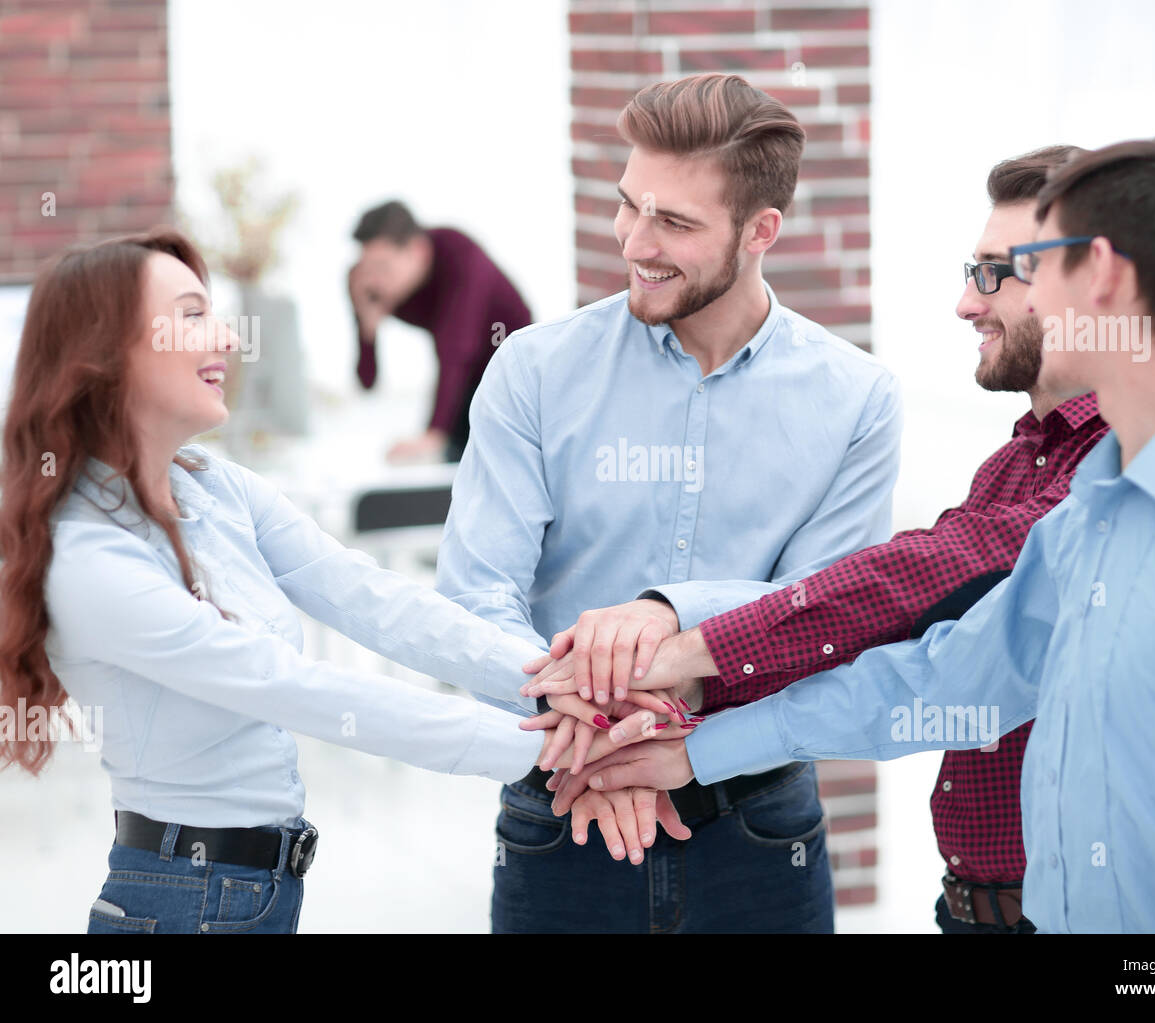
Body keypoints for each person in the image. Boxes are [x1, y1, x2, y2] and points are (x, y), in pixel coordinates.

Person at [541, 136, 1155, 934]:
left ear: (1103, 275)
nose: (986, 304)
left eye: (1027, 271)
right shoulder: (1094, 516)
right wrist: (690, 752)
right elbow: (941, 684)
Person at [0, 229, 638, 934]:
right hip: (181, 903)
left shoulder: (214, 487)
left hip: (251, 894)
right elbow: (298, 687)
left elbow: (371, 596)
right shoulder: (88, 558)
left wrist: (558, 680)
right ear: (105, 354)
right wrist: (561, 747)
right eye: (190, 315)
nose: (225, 338)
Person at [435, 72, 903, 933]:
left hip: (758, 830)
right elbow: (473, 595)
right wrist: (582, 730)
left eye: (675, 223)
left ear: (762, 230)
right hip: (561, 808)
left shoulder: (857, 400)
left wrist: (667, 616)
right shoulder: (533, 373)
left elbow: (831, 615)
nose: (635, 243)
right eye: (629, 206)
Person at [348, 201, 531, 463]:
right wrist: (367, 329)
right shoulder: (365, 283)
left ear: (418, 251)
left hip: (505, 349)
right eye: (368, 267)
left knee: (472, 450)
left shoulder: (458, 255)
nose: (375, 280)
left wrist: (432, 435)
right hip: (458, 360)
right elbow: (367, 382)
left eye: (384, 267)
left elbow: (456, 348)